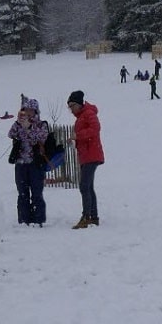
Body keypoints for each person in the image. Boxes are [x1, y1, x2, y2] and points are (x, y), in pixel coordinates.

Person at [67, 90, 105, 228]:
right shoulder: (80, 117)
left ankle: (86, 216)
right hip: (86, 155)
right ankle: (93, 217)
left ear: (79, 104)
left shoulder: (88, 113)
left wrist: (78, 136)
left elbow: (95, 128)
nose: (71, 109)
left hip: (91, 154)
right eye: (69, 106)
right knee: (88, 187)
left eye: (72, 105)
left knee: (84, 186)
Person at [8, 98, 49, 226]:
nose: (28, 112)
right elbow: (10, 134)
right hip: (20, 163)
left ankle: (38, 219)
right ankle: (24, 219)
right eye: (26, 110)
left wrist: (29, 128)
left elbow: (41, 138)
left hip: (35, 163)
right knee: (22, 193)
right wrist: (18, 123)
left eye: (31, 110)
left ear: (36, 111)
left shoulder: (41, 124)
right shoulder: (19, 123)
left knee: (37, 192)